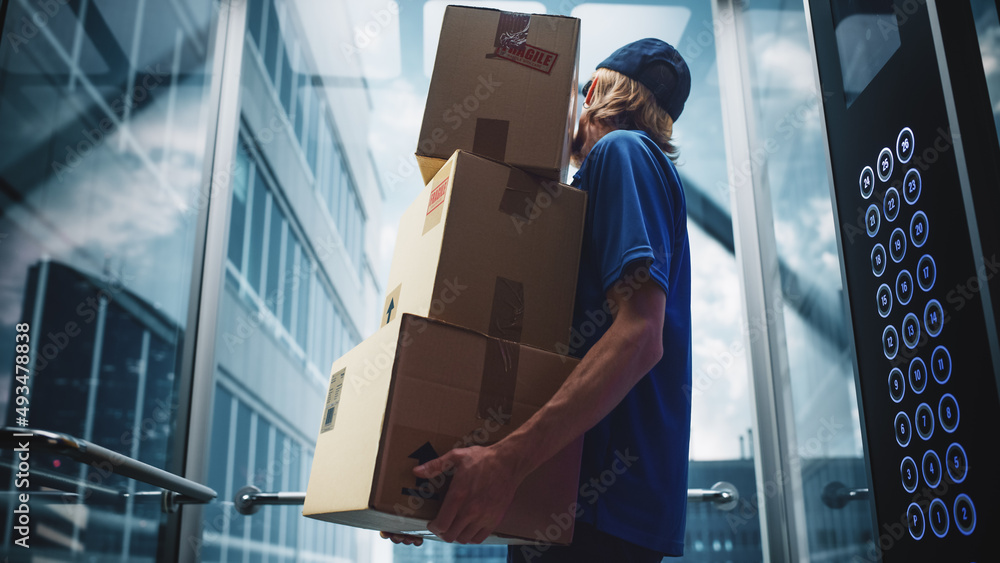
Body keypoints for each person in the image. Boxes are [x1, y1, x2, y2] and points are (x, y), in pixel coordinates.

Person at [384, 38, 693, 562]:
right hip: (567, 500)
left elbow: (641, 335)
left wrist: (506, 463)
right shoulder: (591, 189)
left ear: (591, 92)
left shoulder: (622, 152)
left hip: (596, 506)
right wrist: (422, 489)